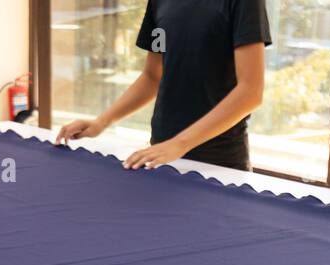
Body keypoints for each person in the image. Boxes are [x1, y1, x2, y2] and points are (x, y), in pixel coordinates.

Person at [56, 0, 271, 172]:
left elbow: (250, 92)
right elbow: (152, 76)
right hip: (161, 157)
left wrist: (180, 143)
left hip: (220, 164)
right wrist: (101, 122)